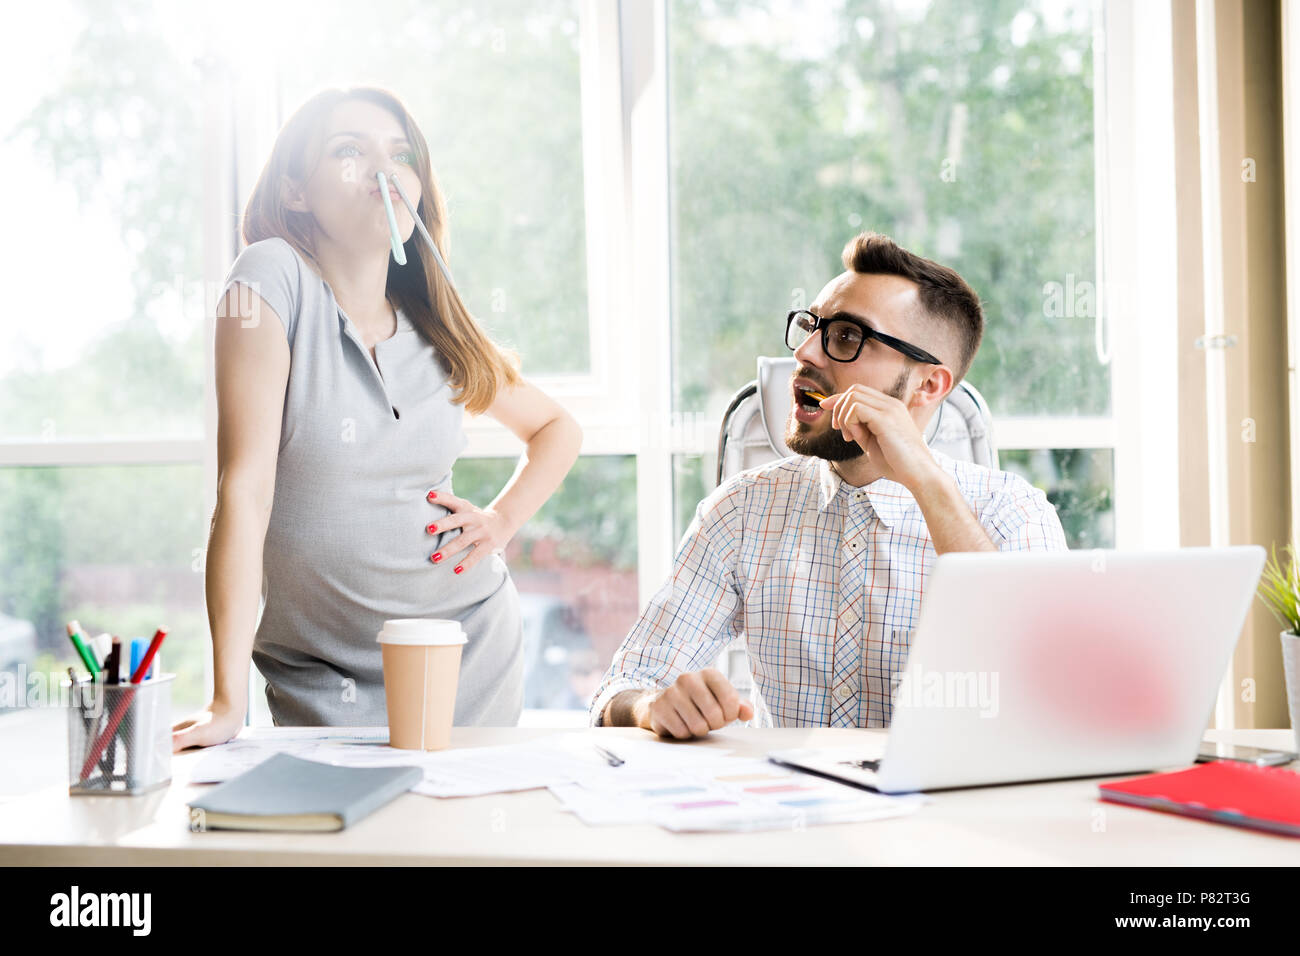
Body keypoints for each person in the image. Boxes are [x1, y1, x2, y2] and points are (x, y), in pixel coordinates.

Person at [173, 86, 581, 750]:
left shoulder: (436, 325)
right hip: (322, 673)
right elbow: (242, 492)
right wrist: (225, 700)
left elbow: (557, 429)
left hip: (465, 651)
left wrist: (501, 521)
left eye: (400, 155)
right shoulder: (271, 277)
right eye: (348, 151)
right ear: (296, 191)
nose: (383, 169)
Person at [591, 231, 1067, 738]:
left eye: (845, 337)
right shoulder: (740, 509)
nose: (805, 352)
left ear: (929, 385)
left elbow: (1050, 695)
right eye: (810, 327)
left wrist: (925, 479)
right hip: (781, 789)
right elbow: (622, 689)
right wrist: (651, 707)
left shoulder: (1014, 513)